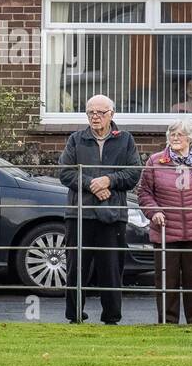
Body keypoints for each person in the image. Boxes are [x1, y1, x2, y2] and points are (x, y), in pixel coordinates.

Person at [57, 95, 142, 324]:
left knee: (112, 267)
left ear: (111, 114)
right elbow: (65, 172)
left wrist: (109, 180)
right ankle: (74, 315)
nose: (95, 117)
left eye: (100, 113)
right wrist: (93, 185)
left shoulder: (125, 140)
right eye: (90, 113)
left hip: (113, 215)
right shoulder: (76, 139)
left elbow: (134, 173)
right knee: (76, 266)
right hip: (80, 214)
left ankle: (111, 317)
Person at [136, 119, 192, 324]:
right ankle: (167, 323)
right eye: (172, 134)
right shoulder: (156, 161)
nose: (175, 138)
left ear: (189, 138)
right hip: (166, 231)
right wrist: (154, 212)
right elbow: (145, 194)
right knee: (167, 282)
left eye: (180, 134)